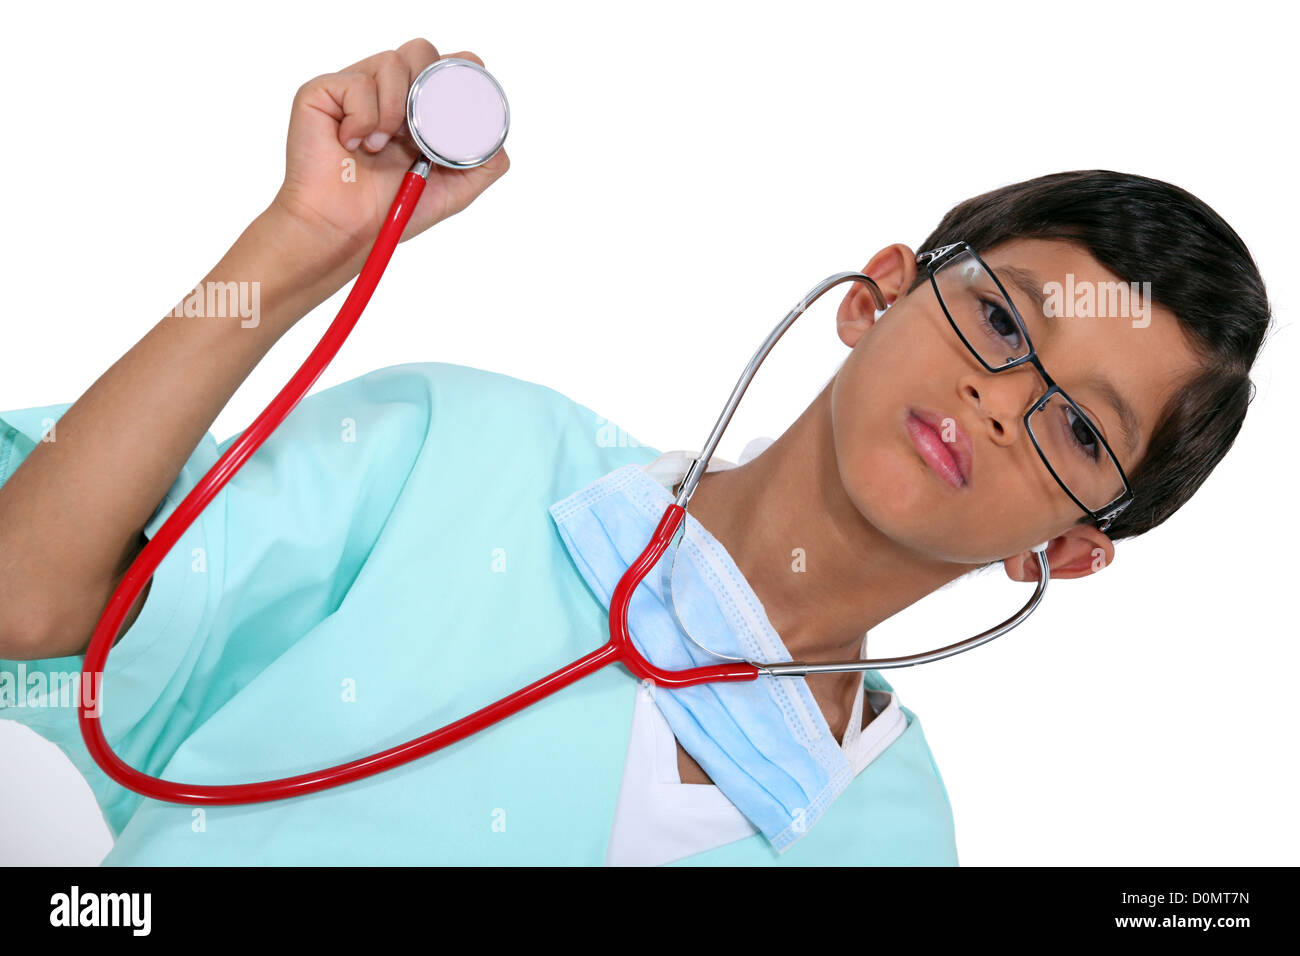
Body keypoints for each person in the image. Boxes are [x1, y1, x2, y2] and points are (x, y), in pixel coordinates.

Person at [0, 39, 1272, 866]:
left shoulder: (895, 839)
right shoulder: (459, 452)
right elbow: (27, 611)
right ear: (879, 289)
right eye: (1002, 318)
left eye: (1077, 426)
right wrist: (296, 245)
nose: (1003, 400)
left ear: (1071, 548)